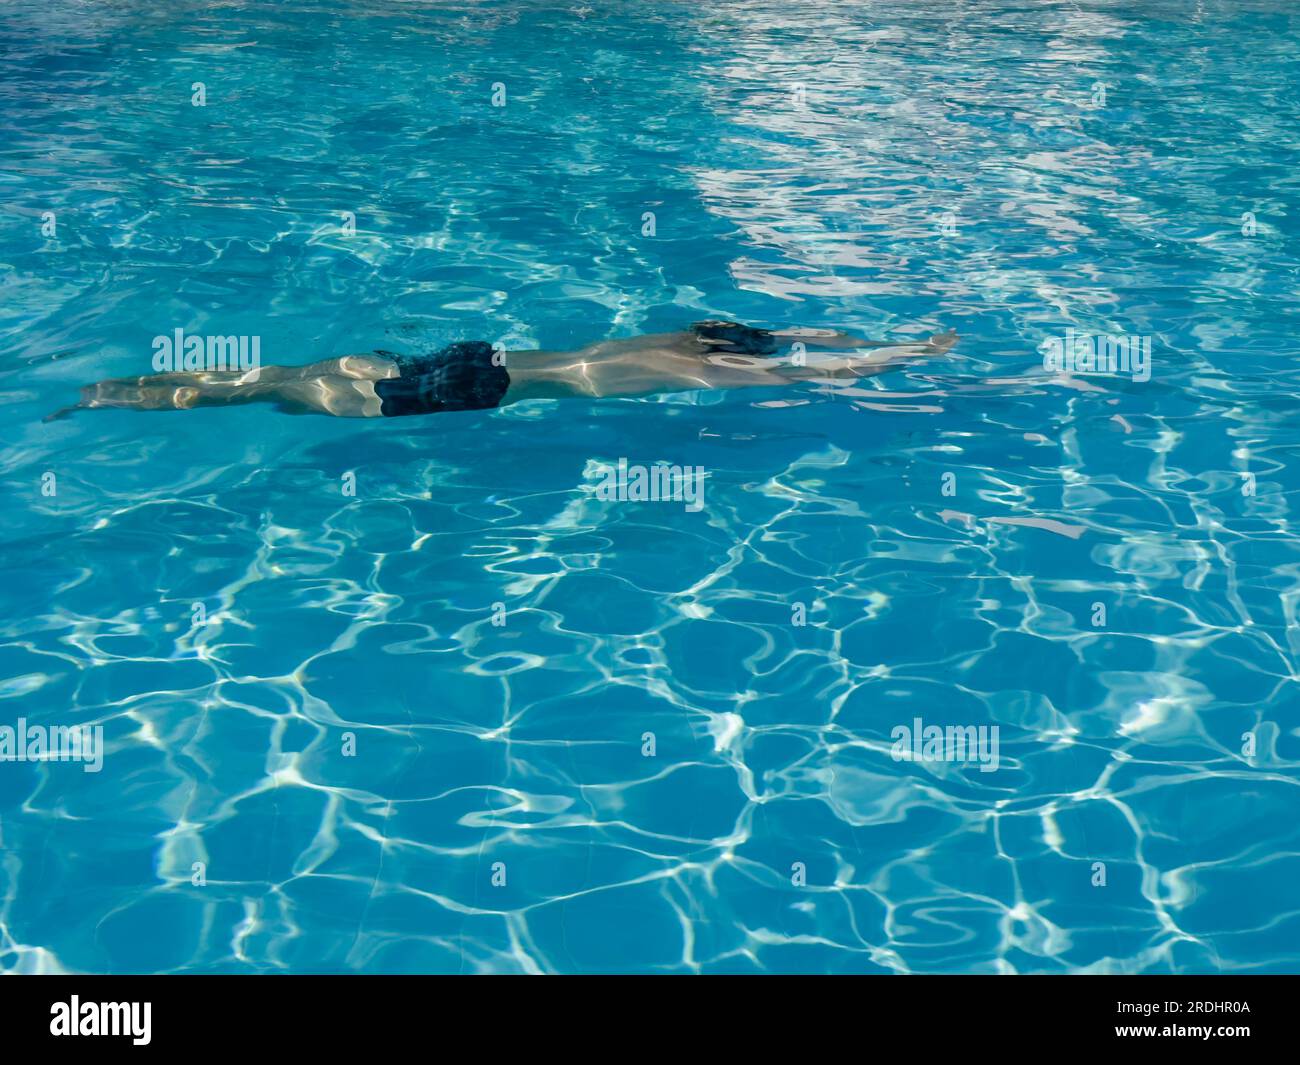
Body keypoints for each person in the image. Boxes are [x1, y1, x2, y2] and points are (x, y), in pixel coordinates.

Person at [54, 321, 957, 419]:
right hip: (454, 394)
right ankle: (118, 399)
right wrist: (903, 357)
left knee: (275, 377)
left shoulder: (682, 340)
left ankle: (111, 388)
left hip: (448, 361)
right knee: (275, 400)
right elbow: (815, 372)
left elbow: (786, 337)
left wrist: (860, 341)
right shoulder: (712, 378)